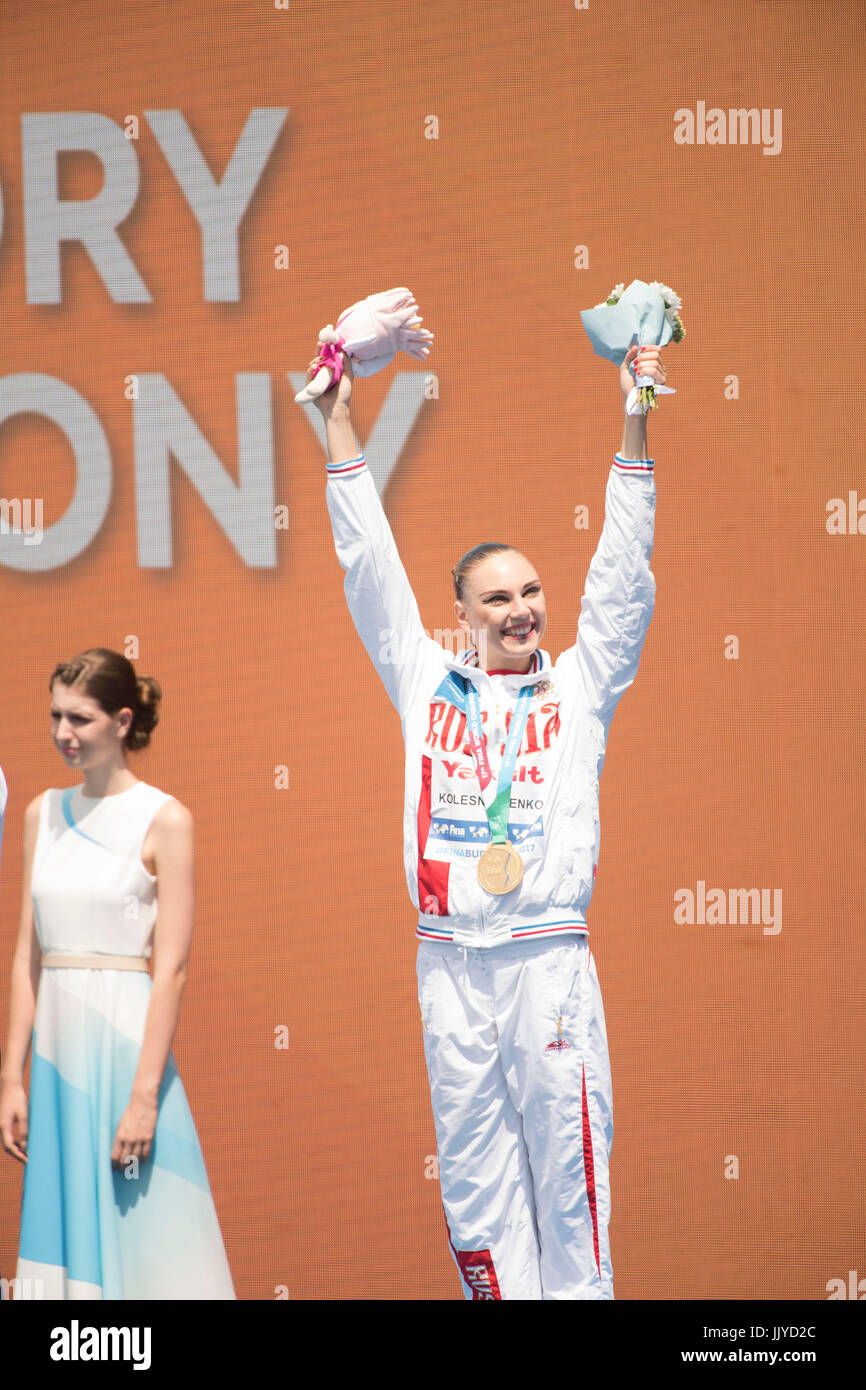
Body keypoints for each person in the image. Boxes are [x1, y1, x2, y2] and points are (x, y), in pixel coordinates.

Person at [301, 335, 665, 1300]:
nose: (522, 610)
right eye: (497, 597)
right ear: (460, 614)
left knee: (570, 1194)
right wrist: (336, 416)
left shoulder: (581, 686)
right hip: (449, 969)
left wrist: (635, 413)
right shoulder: (426, 680)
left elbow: (623, 575)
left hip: (546, 962)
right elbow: (365, 562)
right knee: (475, 1199)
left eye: (534, 591)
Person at [0, 649, 235, 1299]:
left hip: (127, 1058)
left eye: (79, 718)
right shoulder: (40, 813)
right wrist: (10, 1079)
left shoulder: (167, 818)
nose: (62, 733)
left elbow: (173, 969)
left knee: (154, 1253)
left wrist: (142, 1097)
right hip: (53, 1062)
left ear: (123, 720)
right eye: (54, 716)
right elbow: (27, 956)